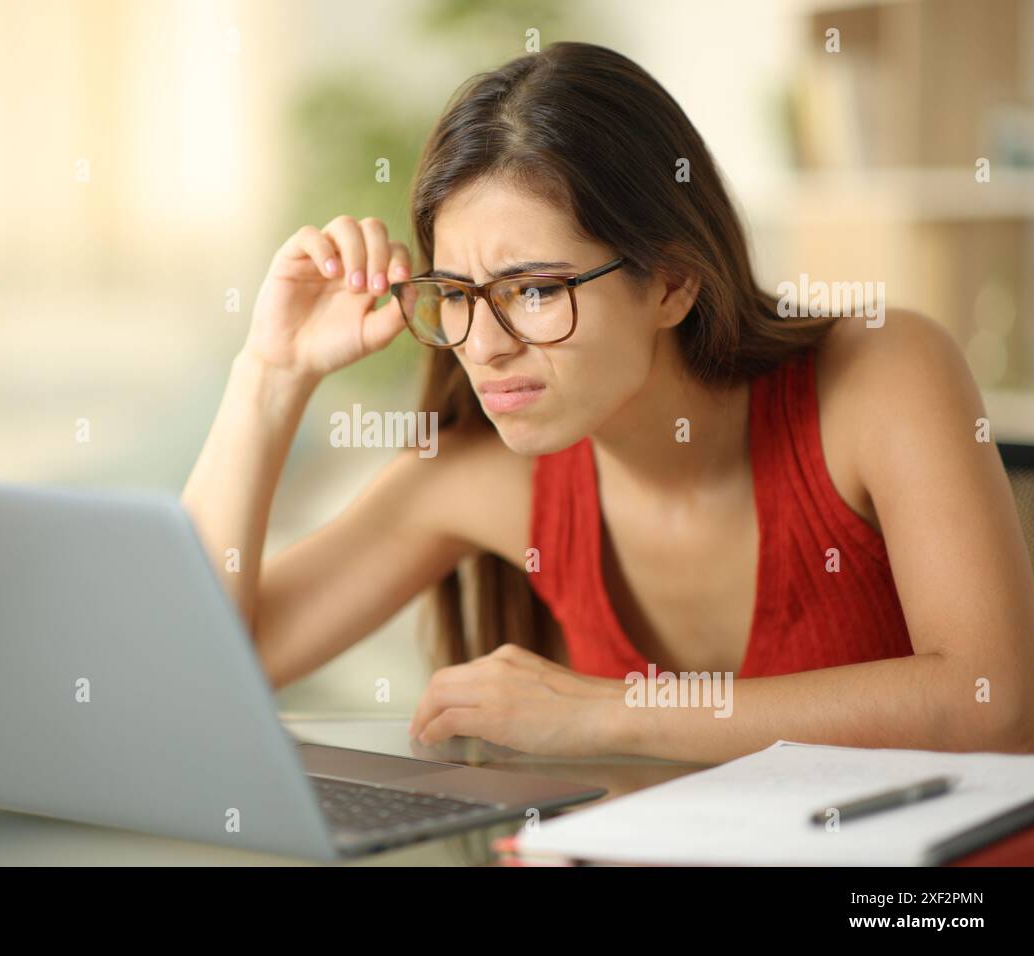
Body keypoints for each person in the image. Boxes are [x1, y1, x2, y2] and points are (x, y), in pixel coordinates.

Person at [182, 42, 1034, 762]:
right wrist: (269, 374)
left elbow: (992, 700)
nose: (483, 345)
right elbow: (201, 664)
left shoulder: (882, 376)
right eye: (457, 294)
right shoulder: (481, 477)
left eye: (536, 290)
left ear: (671, 281)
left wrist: (609, 710)